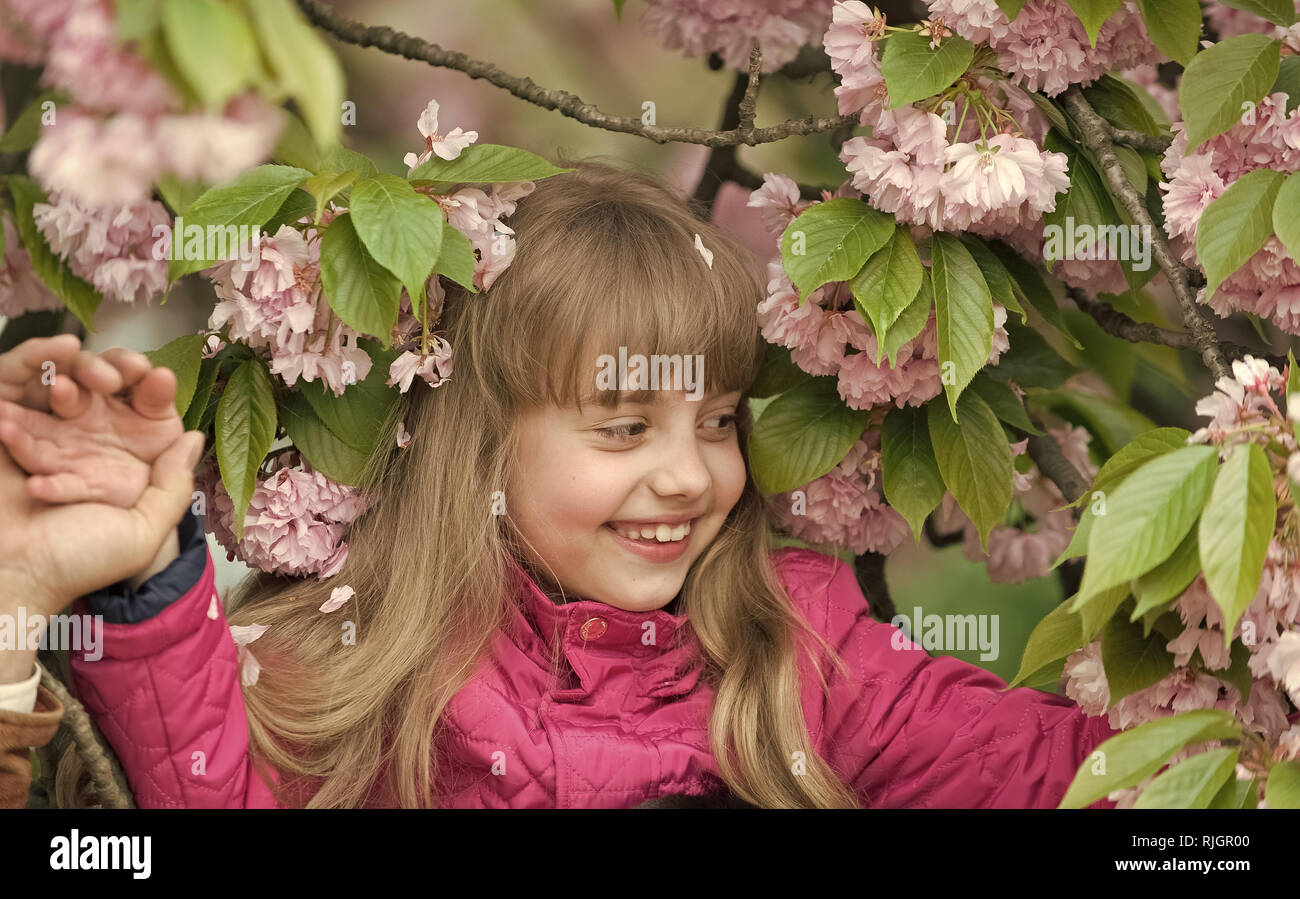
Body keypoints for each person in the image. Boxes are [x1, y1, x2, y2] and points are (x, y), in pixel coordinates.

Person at [0, 156, 1119, 809]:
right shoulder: (353, 660)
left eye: (718, 420)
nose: (687, 474)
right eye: (623, 426)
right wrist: (142, 579)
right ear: (483, 441)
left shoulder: (796, 645)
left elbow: (1062, 776)